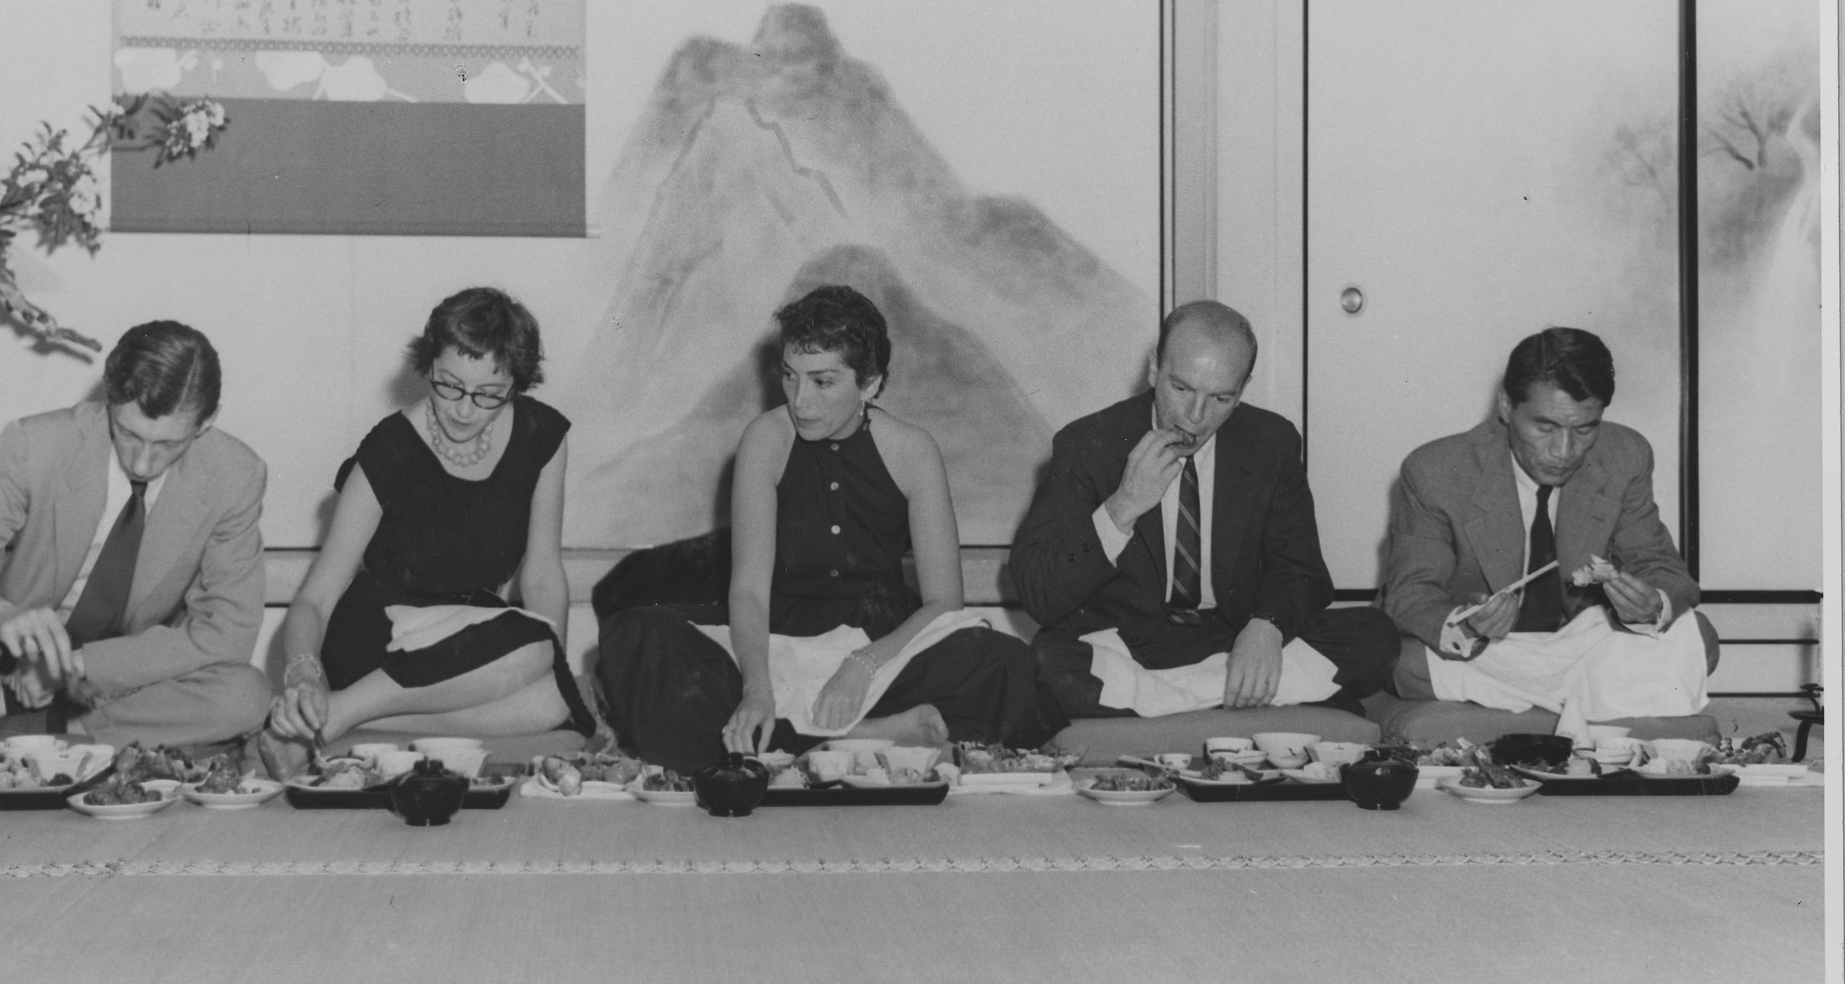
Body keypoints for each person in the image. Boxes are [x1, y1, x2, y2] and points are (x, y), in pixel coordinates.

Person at [597, 284, 1066, 772]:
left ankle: (790, 746)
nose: (801, 401)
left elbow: (945, 602)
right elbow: (750, 593)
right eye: (789, 376)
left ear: (869, 384)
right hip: (779, 638)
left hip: (880, 644)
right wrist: (757, 691)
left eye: (822, 382)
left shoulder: (913, 450)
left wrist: (862, 666)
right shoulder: (765, 441)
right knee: (635, 637)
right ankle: (866, 737)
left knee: (1002, 663)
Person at [0, 321, 271, 754]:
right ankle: (43, 725)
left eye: (168, 445)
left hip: (124, 677)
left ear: (207, 421)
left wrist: (74, 668)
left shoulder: (235, 475)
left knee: (247, 696)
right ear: (110, 399)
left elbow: (226, 632)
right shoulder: (37, 445)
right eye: (130, 434)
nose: (143, 463)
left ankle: (17, 726)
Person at [260, 287, 594, 777]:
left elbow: (542, 575)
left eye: (488, 395)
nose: (463, 409)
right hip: (378, 640)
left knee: (554, 699)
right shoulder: (388, 450)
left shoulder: (543, 438)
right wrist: (303, 675)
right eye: (449, 385)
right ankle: (339, 714)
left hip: (468, 643)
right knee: (535, 649)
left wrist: (552, 671)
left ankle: (339, 721)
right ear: (428, 366)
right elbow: (316, 598)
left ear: (517, 385)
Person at [1008, 300, 1399, 717]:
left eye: (1220, 398)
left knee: (1375, 637)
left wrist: (1267, 626)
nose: (1195, 417)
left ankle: (1157, 698)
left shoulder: (1271, 443)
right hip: (1126, 645)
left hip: (1232, 639)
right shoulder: (1087, 444)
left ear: (1243, 389)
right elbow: (1039, 596)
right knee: (1049, 663)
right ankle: (1231, 692)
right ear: (1154, 368)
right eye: (1181, 389)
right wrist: (1121, 507)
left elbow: (1303, 573)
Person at [1379, 327, 1715, 703]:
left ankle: (1531, 698)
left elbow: (1662, 568)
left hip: (1579, 646)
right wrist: (1466, 622)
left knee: (1700, 637)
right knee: (1402, 662)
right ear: (1506, 406)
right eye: (1545, 427)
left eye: (1585, 428)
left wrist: (1651, 606)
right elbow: (1410, 594)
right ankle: (1586, 698)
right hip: (1488, 652)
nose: (1565, 451)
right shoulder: (1436, 470)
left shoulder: (1626, 455)